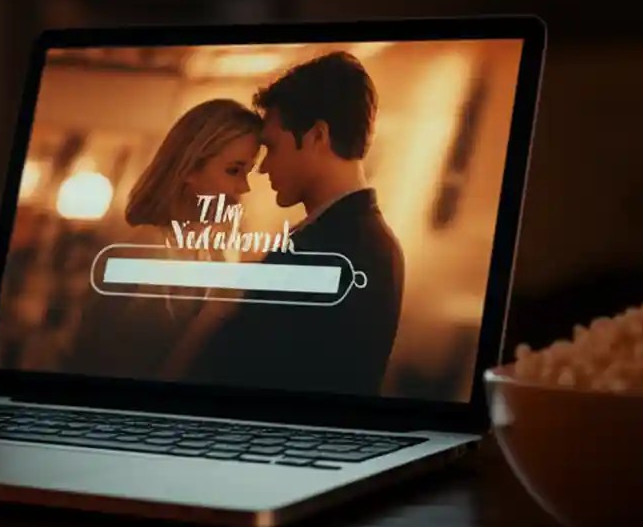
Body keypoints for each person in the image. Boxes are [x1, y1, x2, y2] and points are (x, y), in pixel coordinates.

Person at [176, 51, 405, 395]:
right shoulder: (362, 236)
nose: (264, 168)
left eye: (272, 147)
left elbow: (227, 375)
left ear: (316, 136)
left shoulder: (329, 248)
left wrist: (215, 314)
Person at [65, 99, 261, 378]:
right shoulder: (146, 250)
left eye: (248, 172)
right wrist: (214, 314)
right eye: (233, 170)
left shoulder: (216, 252)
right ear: (189, 168)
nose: (244, 187)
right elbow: (132, 375)